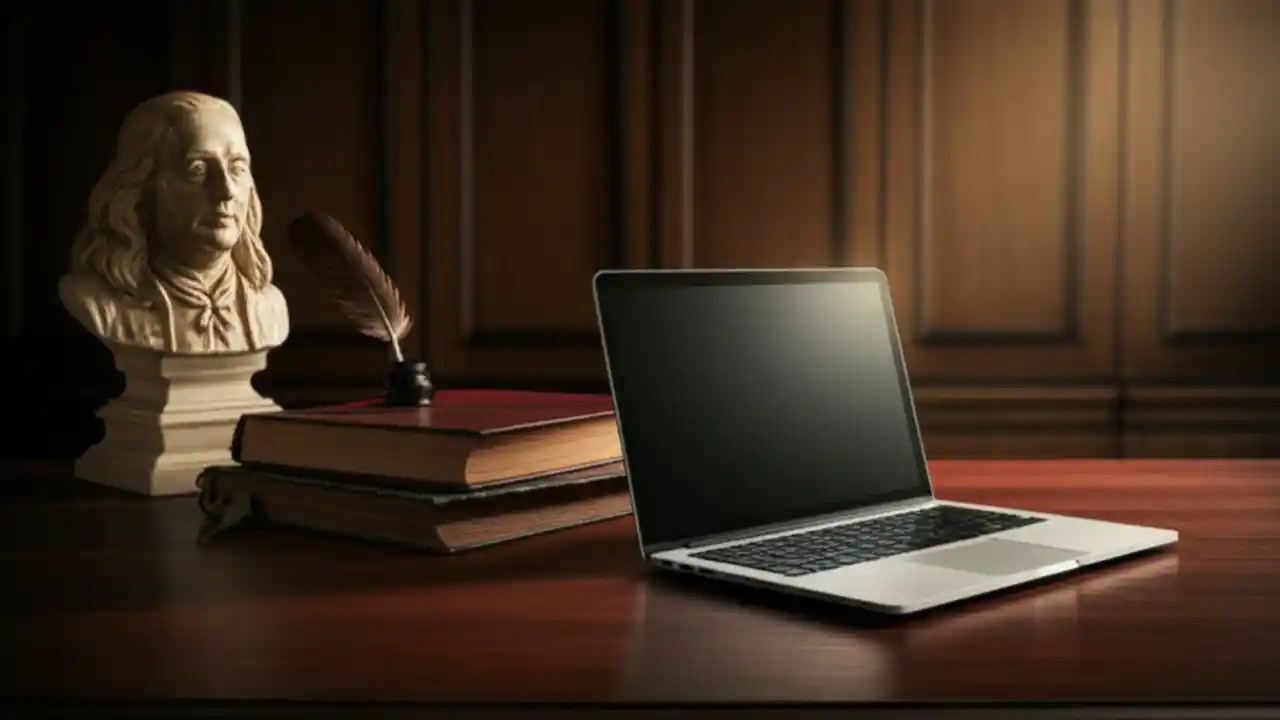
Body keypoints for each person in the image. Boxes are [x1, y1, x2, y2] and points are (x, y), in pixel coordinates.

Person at [59, 90, 288, 354]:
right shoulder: (98, 304)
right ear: (143, 187)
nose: (226, 191)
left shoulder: (269, 308)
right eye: (197, 170)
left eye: (237, 168)